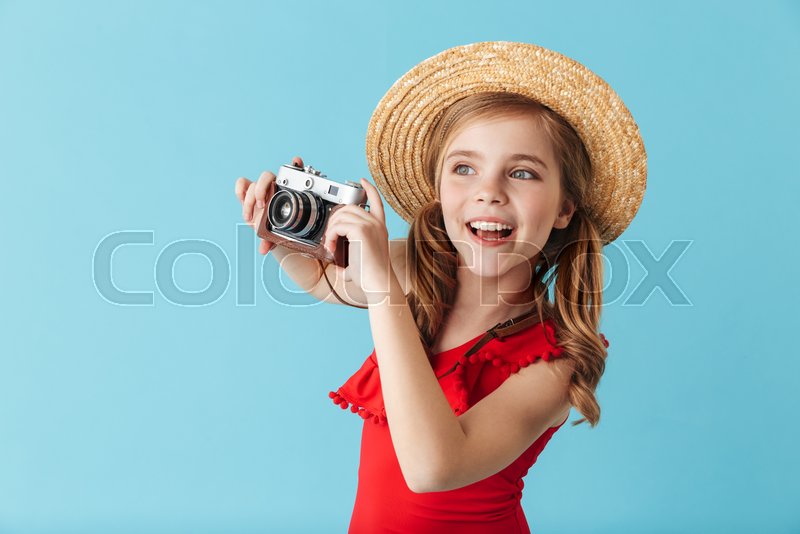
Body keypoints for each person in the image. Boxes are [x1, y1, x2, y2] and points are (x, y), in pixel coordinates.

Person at [235, 41, 646, 533]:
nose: (488, 190)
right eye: (464, 168)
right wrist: (279, 234)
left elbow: (434, 468)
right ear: (438, 188)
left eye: (522, 173)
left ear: (564, 209)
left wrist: (384, 288)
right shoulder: (421, 269)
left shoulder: (558, 359)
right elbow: (326, 278)